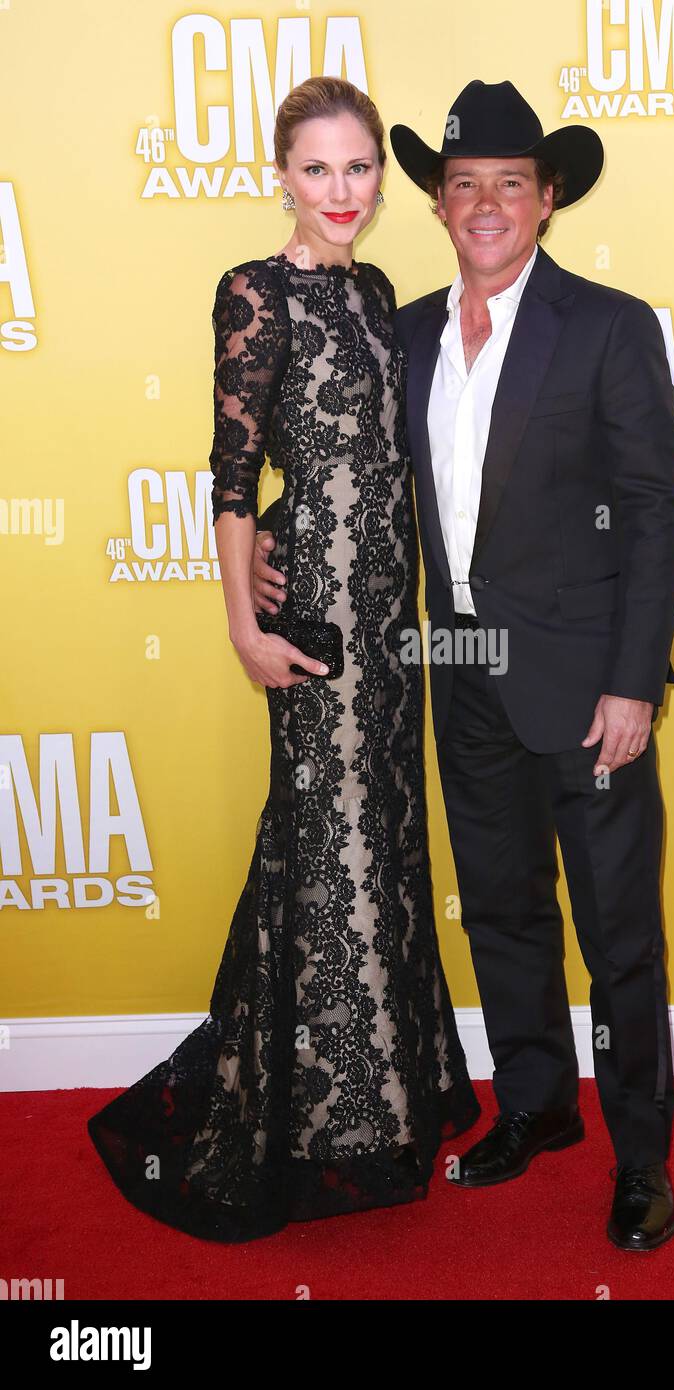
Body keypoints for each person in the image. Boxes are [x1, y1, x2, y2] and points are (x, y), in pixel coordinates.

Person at [254, 79, 674, 1252]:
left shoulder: (608, 325)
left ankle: (641, 1156)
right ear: (436, 205)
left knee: (616, 932)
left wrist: (632, 681)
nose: (485, 204)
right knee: (500, 908)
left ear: (545, 199)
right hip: (460, 670)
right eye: (462, 186)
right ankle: (536, 1105)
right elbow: (332, 462)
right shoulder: (402, 333)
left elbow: (653, 511)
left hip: (589, 684)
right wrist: (268, 560)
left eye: (509, 183)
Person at [86, 76, 480, 1244]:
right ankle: (315, 1116)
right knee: (320, 842)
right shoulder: (252, 293)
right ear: (282, 176)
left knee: (379, 837)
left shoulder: (376, 290)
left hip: (387, 607)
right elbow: (230, 469)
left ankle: (381, 1094)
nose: (343, 191)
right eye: (319, 169)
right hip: (311, 610)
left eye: (359, 167)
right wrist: (242, 618)